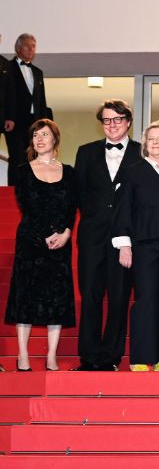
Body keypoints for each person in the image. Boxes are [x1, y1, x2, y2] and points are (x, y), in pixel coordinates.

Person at [112, 121, 159, 372]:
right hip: (144, 245)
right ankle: (139, 358)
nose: (155, 142)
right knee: (145, 300)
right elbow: (122, 210)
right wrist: (125, 245)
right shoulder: (132, 172)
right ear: (145, 145)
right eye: (151, 139)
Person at [73, 100, 141, 371]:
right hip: (92, 237)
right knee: (90, 297)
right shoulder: (86, 152)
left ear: (128, 122)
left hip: (126, 239)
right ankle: (89, 358)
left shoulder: (141, 152)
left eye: (117, 119)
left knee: (119, 297)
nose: (112, 125)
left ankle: (110, 357)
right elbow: (78, 192)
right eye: (107, 120)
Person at [4, 119, 76, 371]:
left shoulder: (69, 171)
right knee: (25, 296)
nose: (39, 139)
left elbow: (71, 207)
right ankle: (23, 355)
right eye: (35, 135)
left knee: (57, 297)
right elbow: (27, 206)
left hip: (61, 243)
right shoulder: (22, 170)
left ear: (55, 139)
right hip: (31, 241)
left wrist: (66, 233)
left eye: (45, 134)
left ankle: (51, 356)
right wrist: (47, 234)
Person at [2, 34, 51, 186]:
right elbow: (5, 95)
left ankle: (31, 189)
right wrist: (8, 117)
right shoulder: (6, 68)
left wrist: (44, 124)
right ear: (17, 48)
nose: (31, 49)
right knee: (17, 156)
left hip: (34, 122)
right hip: (15, 121)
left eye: (33, 46)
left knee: (34, 156)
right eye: (27, 46)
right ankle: (14, 191)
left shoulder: (38, 72)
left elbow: (41, 100)